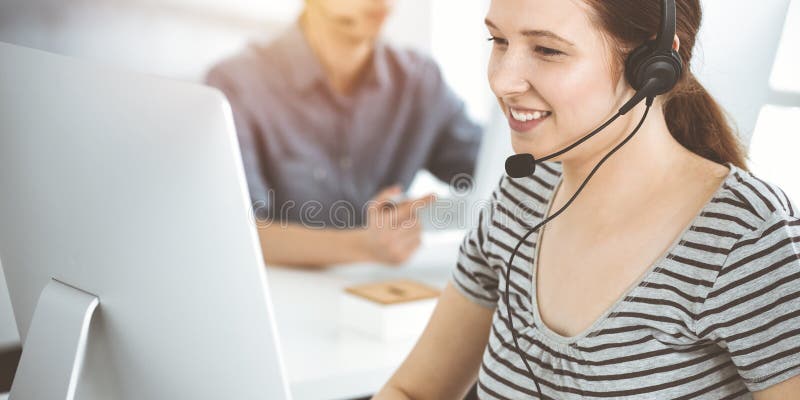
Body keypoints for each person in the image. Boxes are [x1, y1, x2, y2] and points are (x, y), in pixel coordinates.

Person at [375, 0, 800, 398]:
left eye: (547, 50)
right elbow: (411, 392)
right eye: (499, 41)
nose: (502, 81)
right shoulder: (521, 196)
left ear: (653, 66)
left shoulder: (747, 239)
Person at [205, 0, 482, 268]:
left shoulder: (419, 81)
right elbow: (238, 230)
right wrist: (363, 246)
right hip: (282, 292)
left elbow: (493, 168)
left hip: (377, 291)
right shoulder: (236, 84)